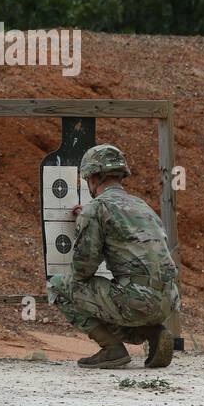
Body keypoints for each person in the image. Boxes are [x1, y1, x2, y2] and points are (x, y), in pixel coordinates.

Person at [47, 144, 180, 369]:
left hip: (137, 302)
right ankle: (154, 332)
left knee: (60, 285)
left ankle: (112, 349)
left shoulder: (97, 208)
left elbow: (83, 270)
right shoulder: (141, 205)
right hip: (168, 300)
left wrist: (85, 225)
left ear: (93, 176)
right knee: (119, 296)